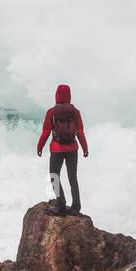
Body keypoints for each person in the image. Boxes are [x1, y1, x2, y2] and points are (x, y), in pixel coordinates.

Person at [37, 83, 88, 215]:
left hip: (56, 150)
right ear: (69, 96)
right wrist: (85, 148)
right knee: (72, 178)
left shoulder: (51, 112)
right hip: (72, 149)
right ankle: (76, 207)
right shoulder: (75, 112)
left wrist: (40, 146)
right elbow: (80, 131)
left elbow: (46, 132)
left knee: (54, 176)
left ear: (57, 96)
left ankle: (61, 206)